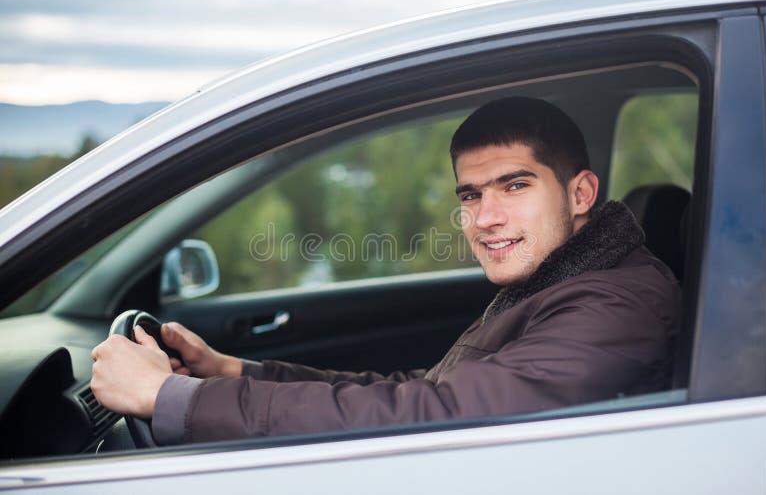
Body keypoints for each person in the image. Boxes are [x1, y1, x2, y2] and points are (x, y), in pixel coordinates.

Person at [91, 96, 680, 444]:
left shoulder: (614, 305)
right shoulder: (556, 281)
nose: (485, 218)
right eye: (471, 195)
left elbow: (438, 418)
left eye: (515, 185)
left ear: (580, 194)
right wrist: (230, 370)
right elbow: (421, 391)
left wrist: (171, 399)